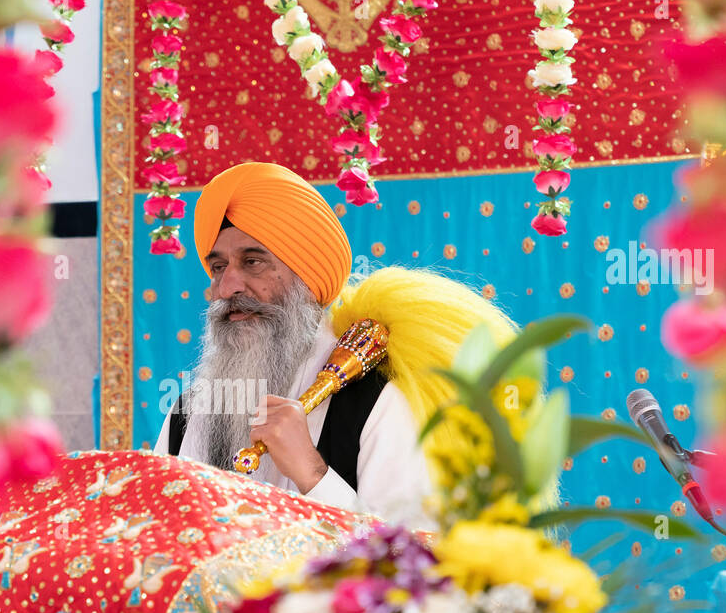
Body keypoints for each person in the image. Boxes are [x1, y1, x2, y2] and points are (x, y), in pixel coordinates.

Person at [153, 161, 517, 525]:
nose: (227, 286)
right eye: (218, 267)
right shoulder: (187, 415)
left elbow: (413, 553)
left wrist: (312, 473)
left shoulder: (376, 401)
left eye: (253, 262)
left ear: (306, 280)